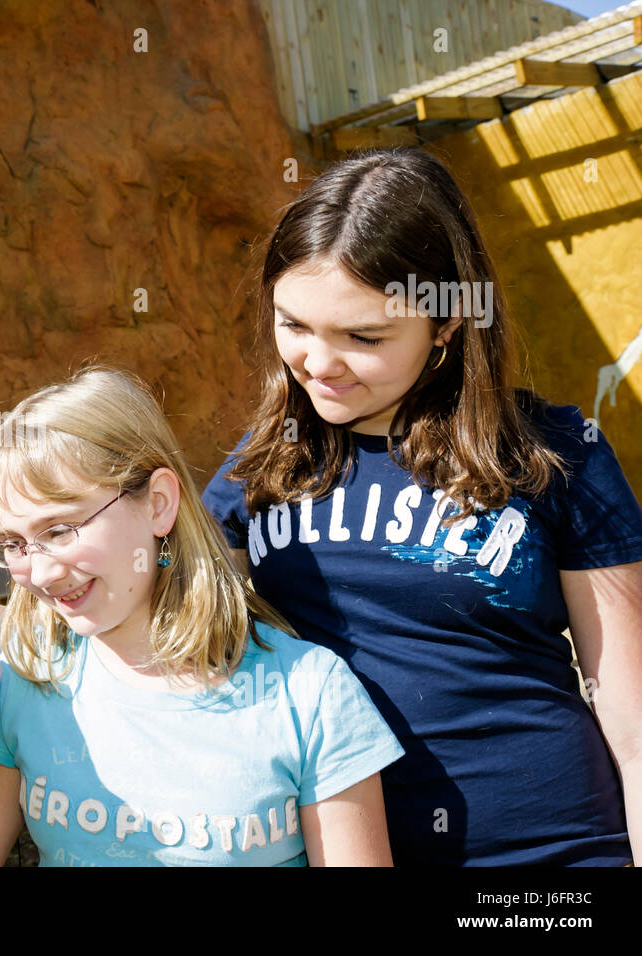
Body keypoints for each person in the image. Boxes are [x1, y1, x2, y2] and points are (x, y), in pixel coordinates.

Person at [202, 148, 642, 865]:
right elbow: (137, 608)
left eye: (363, 337)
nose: (318, 363)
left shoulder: (558, 454)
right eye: (295, 325)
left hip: (547, 858)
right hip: (337, 848)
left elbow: (631, 708)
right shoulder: (263, 464)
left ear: (446, 324)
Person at [0, 367, 405, 866]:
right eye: (14, 543)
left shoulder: (310, 694)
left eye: (60, 529)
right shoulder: (29, 681)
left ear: (158, 504)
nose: (41, 572)